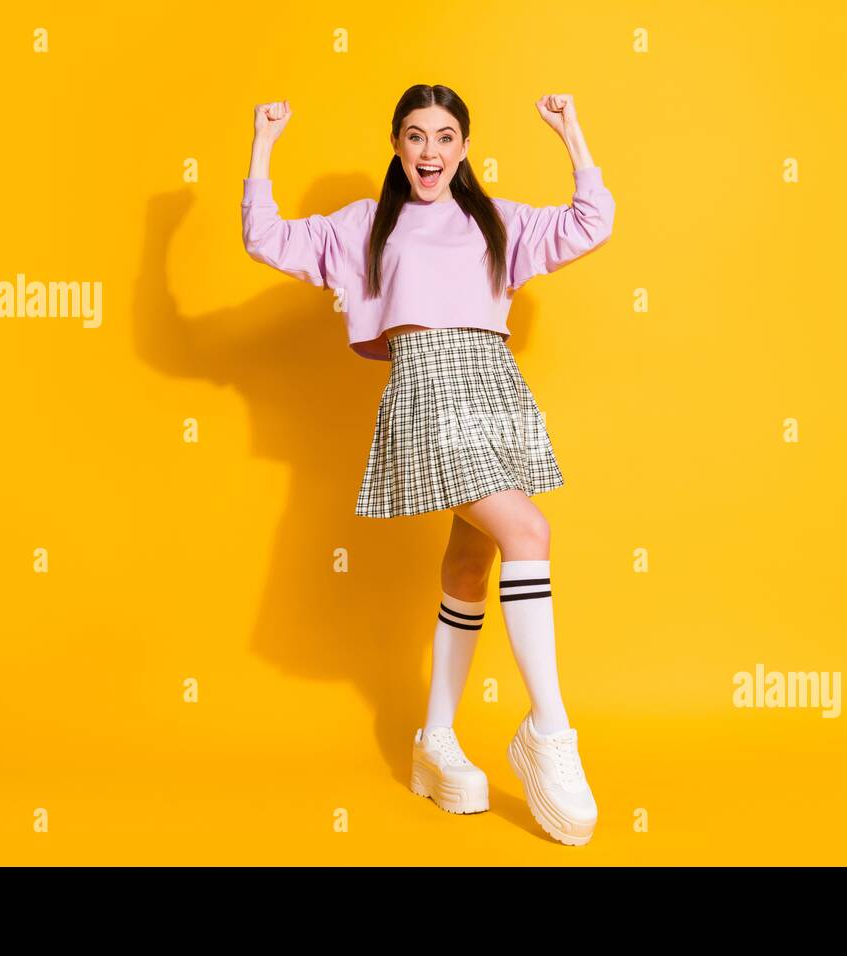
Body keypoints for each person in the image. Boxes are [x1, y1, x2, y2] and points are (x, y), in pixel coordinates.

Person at [241, 83, 615, 846]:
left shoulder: (495, 220)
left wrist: (571, 132)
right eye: (415, 137)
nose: (430, 153)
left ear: (464, 148)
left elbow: (591, 223)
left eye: (445, 138)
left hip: (495, 383)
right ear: (397, 145)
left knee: (471, 565)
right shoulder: (364, 226)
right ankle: (550, 731)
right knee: (529, 533)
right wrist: (263, 145)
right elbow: (266, 237)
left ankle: (434, 742)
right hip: (428, 386)